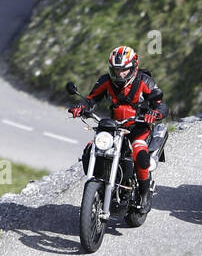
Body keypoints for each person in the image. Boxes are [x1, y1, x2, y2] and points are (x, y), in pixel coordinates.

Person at [68, 45, 168, 210]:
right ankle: (100, 184)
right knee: (91, 149)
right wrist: (80, 106)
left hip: (139, 127)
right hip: (114, 127)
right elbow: (91, 100)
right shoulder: (106, 81)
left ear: (133, 67)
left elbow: (160, 105)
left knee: (140, 154)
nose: (119, 74)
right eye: (116, 69)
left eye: (124, 70)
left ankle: (143, 195)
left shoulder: (145, 81)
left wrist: (155, 114)